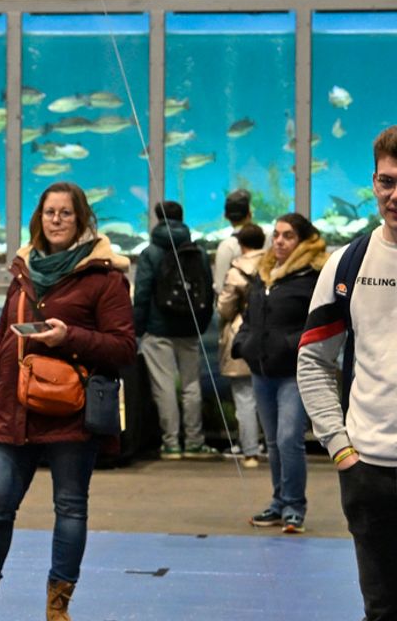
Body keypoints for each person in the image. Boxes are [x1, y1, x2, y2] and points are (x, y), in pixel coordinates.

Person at [0, 182, 134, 621]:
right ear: (39, 218)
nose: (56, 220)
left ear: (81, 219)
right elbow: (0, 348)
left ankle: (58, 608)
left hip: (72, 414)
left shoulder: (105, 277)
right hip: (14, 411)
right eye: (50, 212)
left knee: (70, 507)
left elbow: (124, 347)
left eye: (66, 213)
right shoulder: (23, 272)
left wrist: (68, 336)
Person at [299, 125, 397, 620]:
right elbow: (314, 359)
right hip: (370, 472)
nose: (395, 195)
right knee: (381, 610)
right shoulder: (347, 264)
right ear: (374, 182)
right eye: (387, 182)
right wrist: (340, 447)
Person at [234, 212, 327, 535]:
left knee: (289, 439)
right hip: (262, 370)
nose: (279, 241)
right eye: (276, 235)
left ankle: (294, 507)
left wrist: (291, 344)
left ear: (302, 240)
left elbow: (319, 324)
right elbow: (249, 315)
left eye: (287, 235)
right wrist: (242, 342)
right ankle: (278, 502)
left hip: (293, 373)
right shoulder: (265, 274)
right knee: (273, 442)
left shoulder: (313, 275)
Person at [134, 200, 219, 459]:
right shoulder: (199, 251)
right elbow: (208, 290)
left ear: (158, 219)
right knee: (191, 385)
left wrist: (138, 327)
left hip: (157, 330)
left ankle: (171, 443)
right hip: (189, 329)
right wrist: (201, 324)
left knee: (164, 386)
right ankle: (194, 441)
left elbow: (143, 292)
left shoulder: (150, 252)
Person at [215, 222, 266, 468]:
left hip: (242, 333)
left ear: (240, 244)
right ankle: (275, 447)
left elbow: (224, 307)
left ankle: (250, 452)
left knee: (245, 397)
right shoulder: (273, 266)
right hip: (270, 336)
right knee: (274, 394)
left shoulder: (236, 271)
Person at [213, 189, 253, 290]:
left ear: (226, 216)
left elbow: (220, 286)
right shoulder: (267, 239)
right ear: (249, 214)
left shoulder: (227, 246)